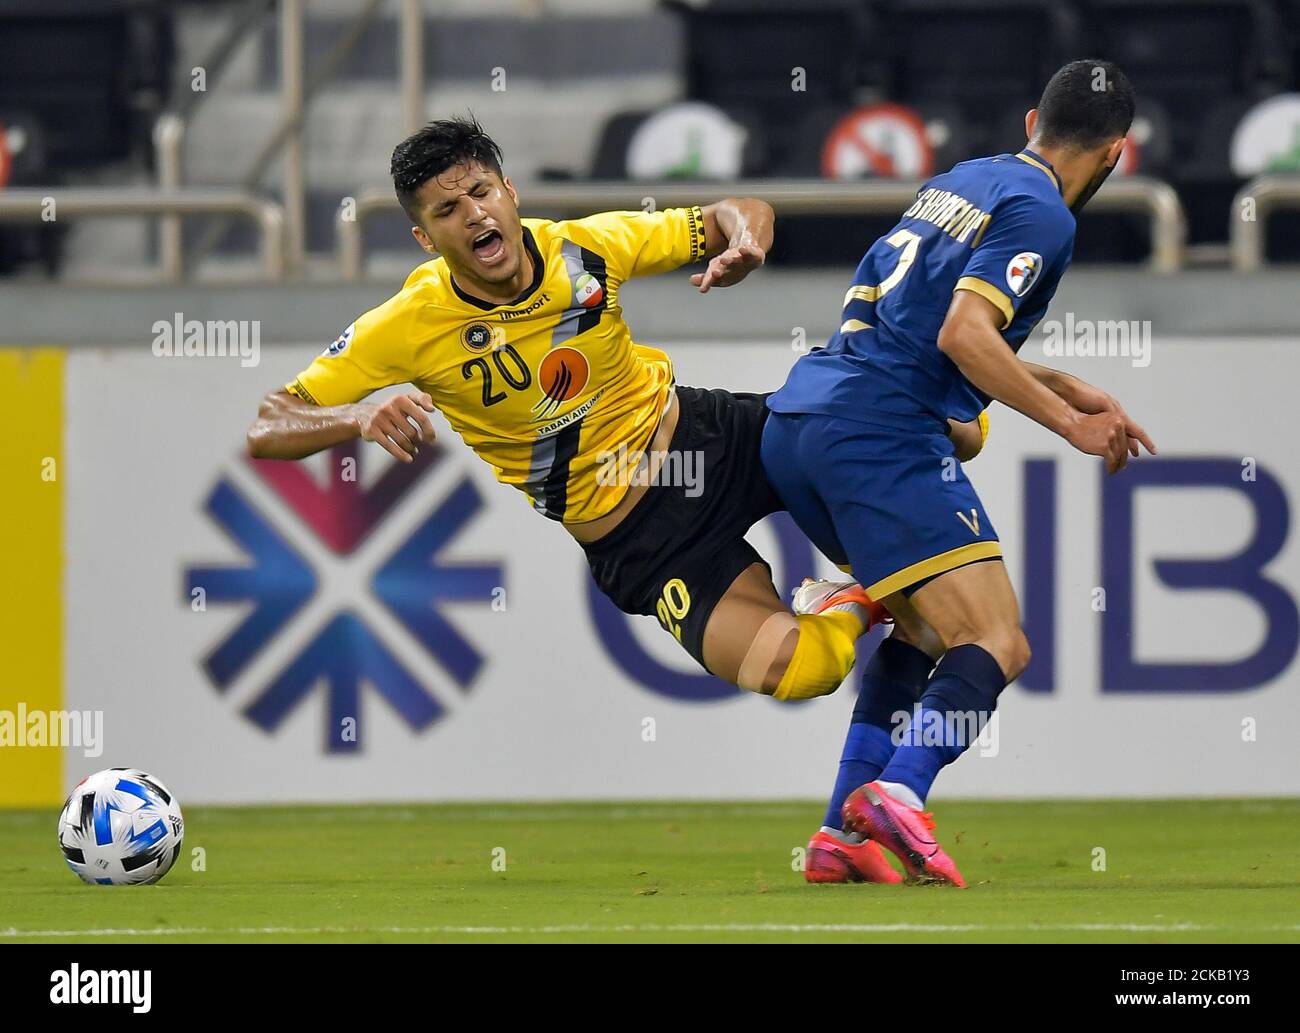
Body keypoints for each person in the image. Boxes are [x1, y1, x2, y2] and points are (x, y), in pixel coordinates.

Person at [247, 117, 900, 802]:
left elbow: (737, 211)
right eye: (447, 210)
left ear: (510, 192)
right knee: (800, 671)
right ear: (425, 238)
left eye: (479, 192)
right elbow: (269, 424)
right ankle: (844, 604)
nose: (472, 214)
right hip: (644, 539)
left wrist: (745, 241)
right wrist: (354, 415)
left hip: (716, 441)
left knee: (881, 433)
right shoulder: (408, 324)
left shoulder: (587, 247)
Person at [761, 61, 1157, 886]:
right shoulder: (1045, 214)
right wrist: (1070, 423)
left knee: (926, 629)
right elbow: (963, 337)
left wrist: (1052, 378)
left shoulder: (962, 180)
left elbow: (917, 323)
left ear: (1029, 122)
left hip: (803, 418)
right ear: (1117, 152)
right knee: (997, 640)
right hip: (877, 433)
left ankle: (842, 830)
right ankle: (900, 792)